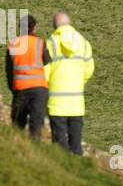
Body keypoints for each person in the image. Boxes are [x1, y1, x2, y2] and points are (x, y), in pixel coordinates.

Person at [44, 11, 95, 155]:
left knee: (60, 148)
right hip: (77, 103)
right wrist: (79, 82)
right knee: (76, 145)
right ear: (70, 23)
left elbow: (44, 71)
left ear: (55, 27)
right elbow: (89, 69)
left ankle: (62, 173)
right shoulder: (83, 43)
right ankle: (78, 172)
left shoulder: (51, 42)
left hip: (57, 103)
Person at [6, 14, 50, 138]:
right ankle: (35, 149)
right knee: (36, 125)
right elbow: (48, 65)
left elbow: (9, 72)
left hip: (21, 88)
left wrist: (14, 90)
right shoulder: (40, 43)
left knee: (17, 124)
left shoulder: (13, 44)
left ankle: (18, 148)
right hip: (39, 89)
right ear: (34, 28)